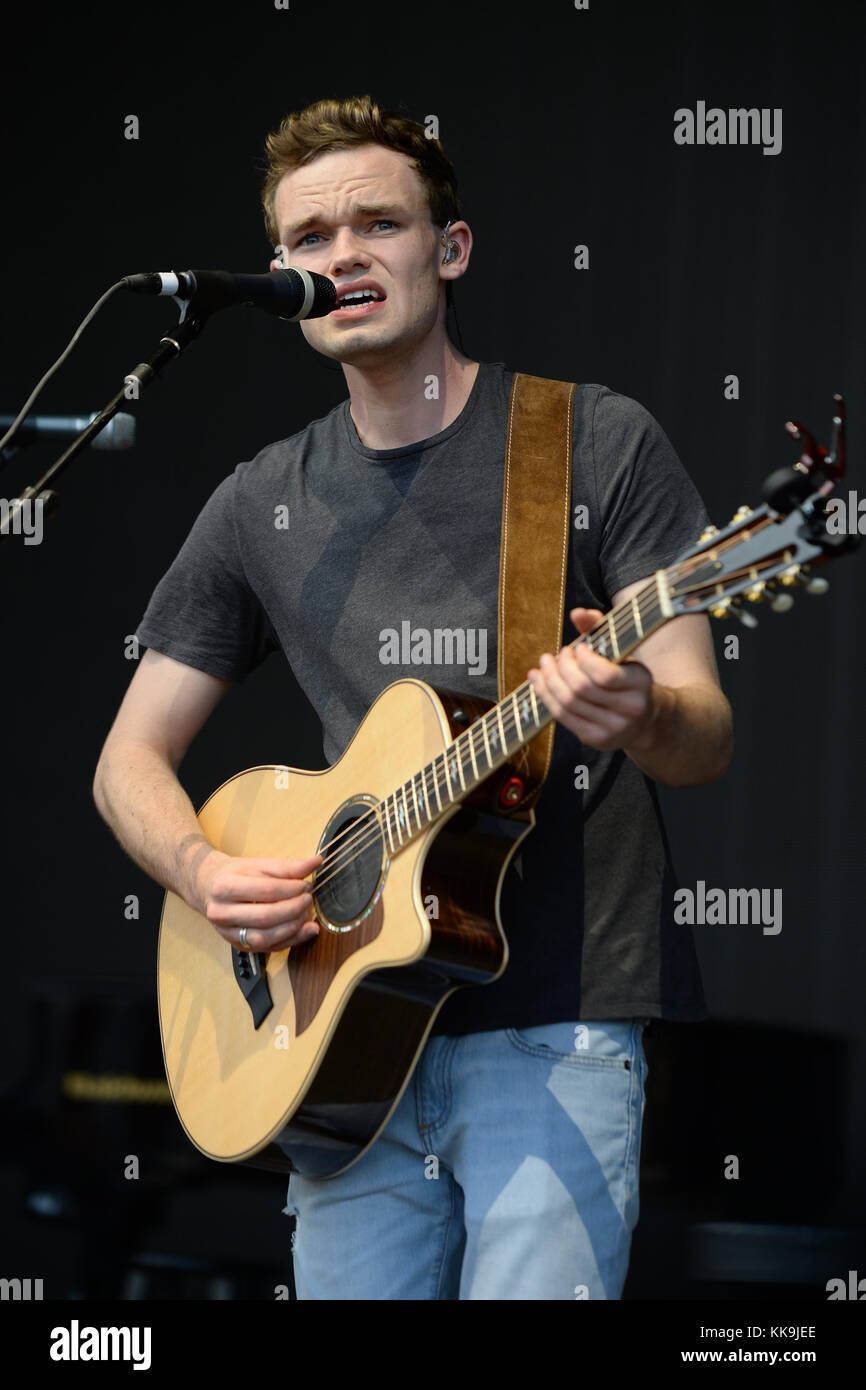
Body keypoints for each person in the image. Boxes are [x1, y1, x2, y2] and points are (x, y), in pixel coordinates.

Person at [92, 94, 733, 1301]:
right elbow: (127, 760)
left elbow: (700, 736)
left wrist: (636, 709)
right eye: (307, 240)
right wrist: (199, 871)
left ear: (449, 249)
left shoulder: (592, 445)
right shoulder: (258, 501)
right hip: (339, 1034)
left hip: (553, 1021)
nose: (341, 257)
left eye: (376, 224)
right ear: (280, 273)